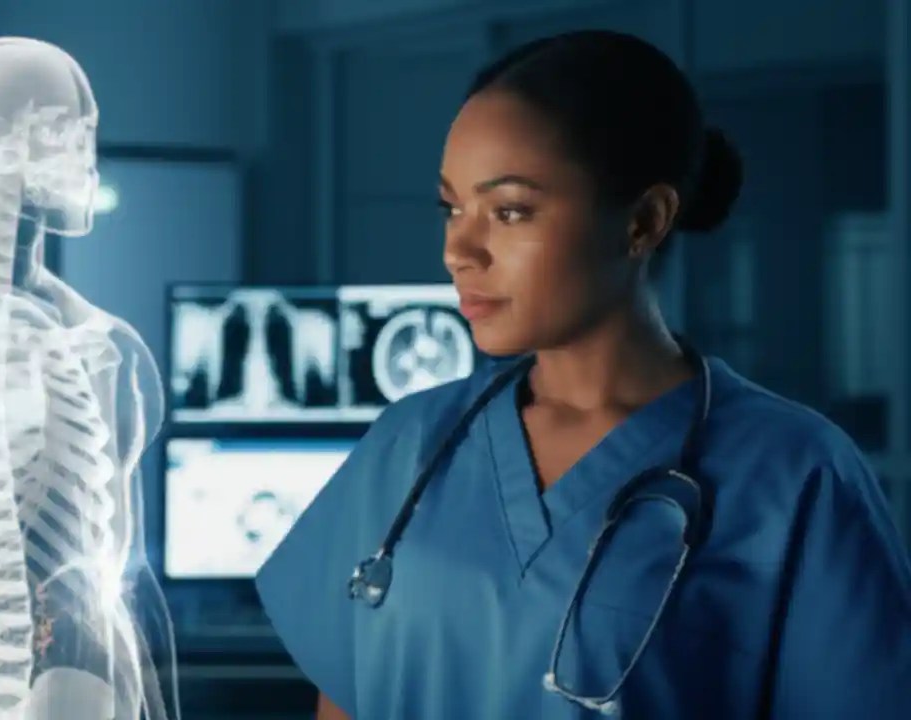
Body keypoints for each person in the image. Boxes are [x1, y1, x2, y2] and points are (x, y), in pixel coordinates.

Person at [254, 29, 911, 719]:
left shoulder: (794, 475)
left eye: (509, 211)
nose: (459, 250)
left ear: (644, 221)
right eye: (452, 208)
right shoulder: (409, 443)